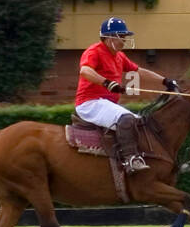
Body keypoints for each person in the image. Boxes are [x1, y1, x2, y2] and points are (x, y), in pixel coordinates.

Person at [76, 17, 180, 173]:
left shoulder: (120, 56)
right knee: (127, 119)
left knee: (139, 122)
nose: (124, 40)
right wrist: (107, 83)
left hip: (105, 104)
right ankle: (131, 160)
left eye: (125, 37)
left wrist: (165, 81)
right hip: (90, 103)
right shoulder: (94, 51)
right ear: (109, 37)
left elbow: (139, 71)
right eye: (121, 36)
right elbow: (85, 71)